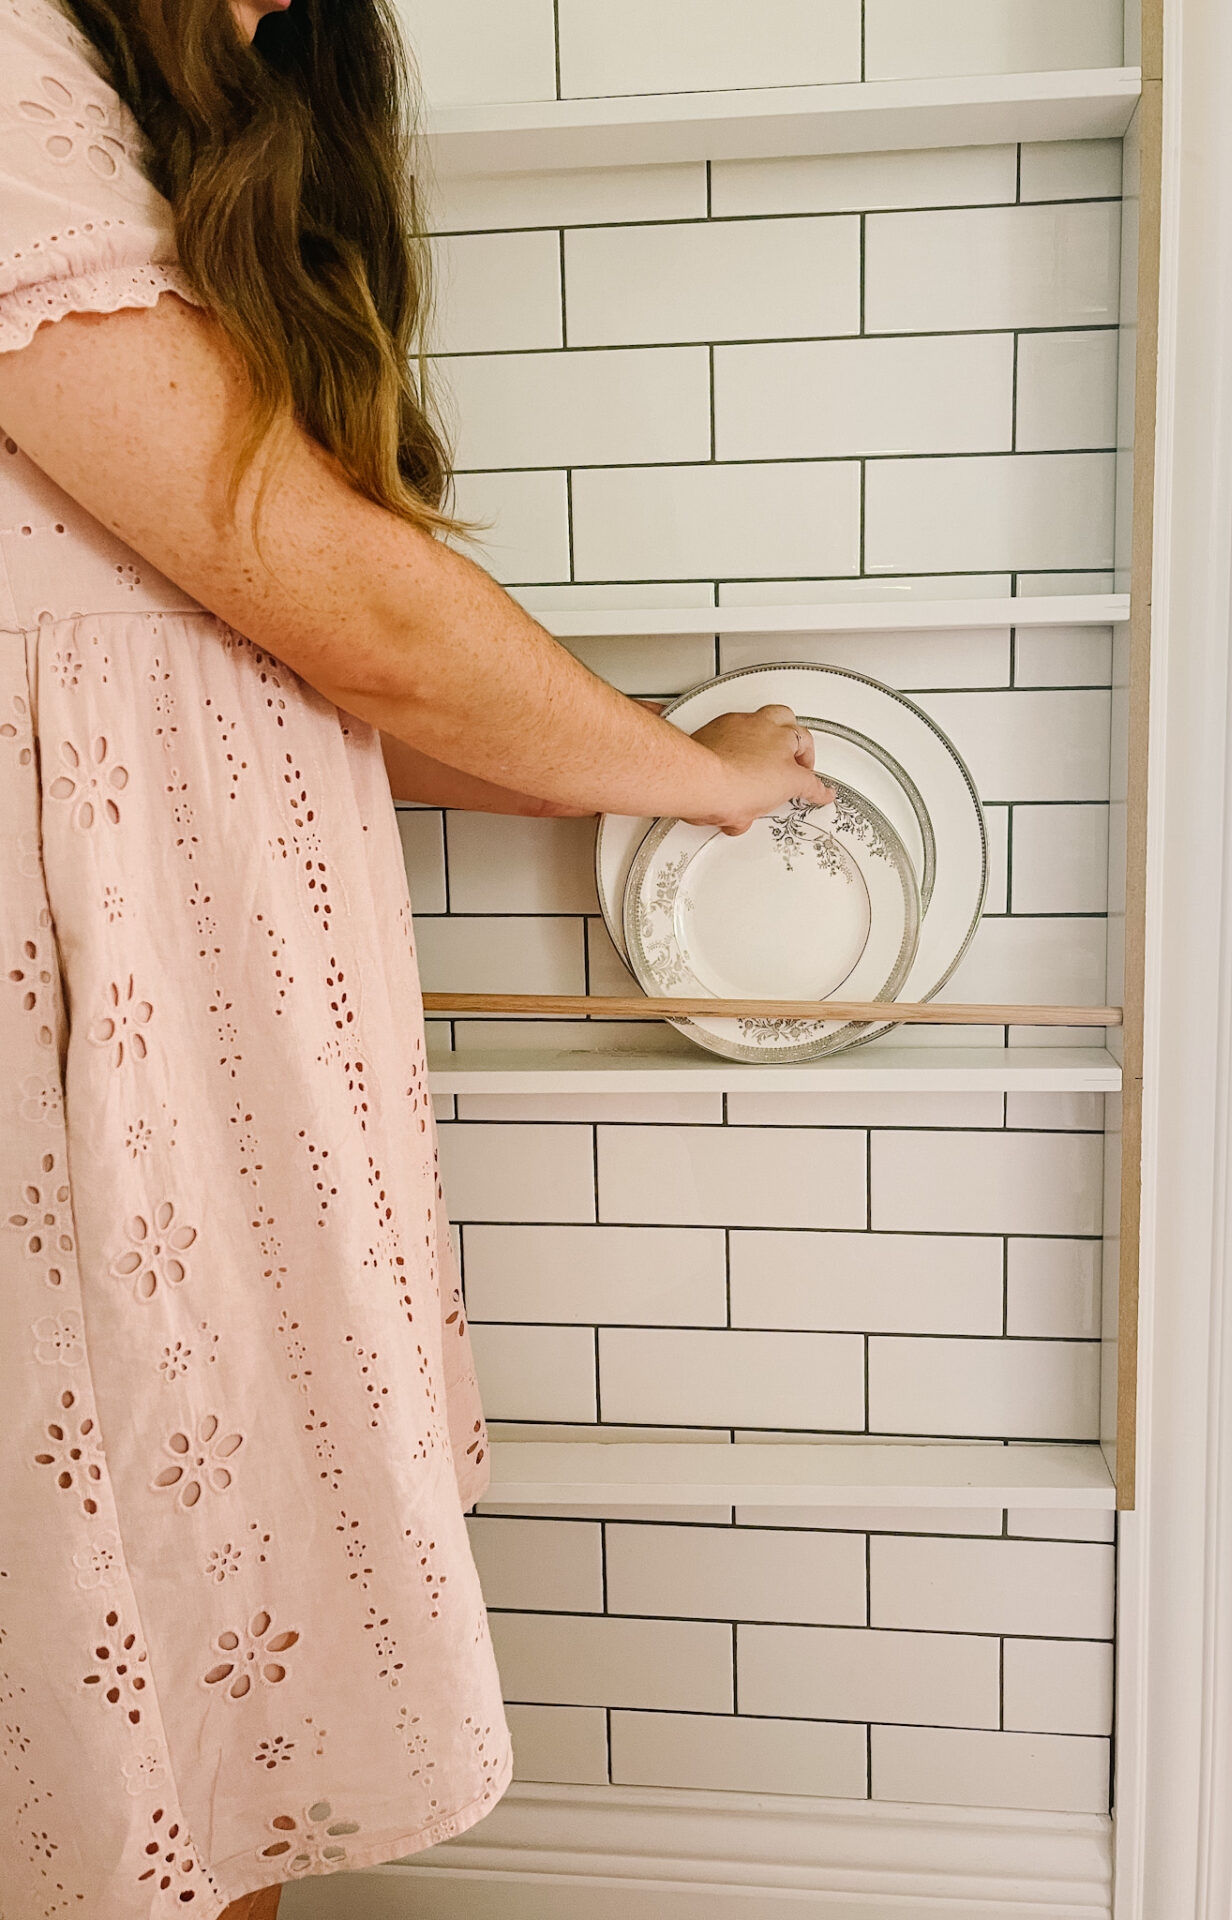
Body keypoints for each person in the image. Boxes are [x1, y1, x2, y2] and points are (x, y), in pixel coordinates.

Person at [0, 0, 829, 1911]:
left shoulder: (164, 135)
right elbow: (354, 609)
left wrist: (667, 770)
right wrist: (679, 780)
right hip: (94, 1042)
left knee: (209, 1684)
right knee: (110, 1667)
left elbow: (329, 661)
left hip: (221, 1059)